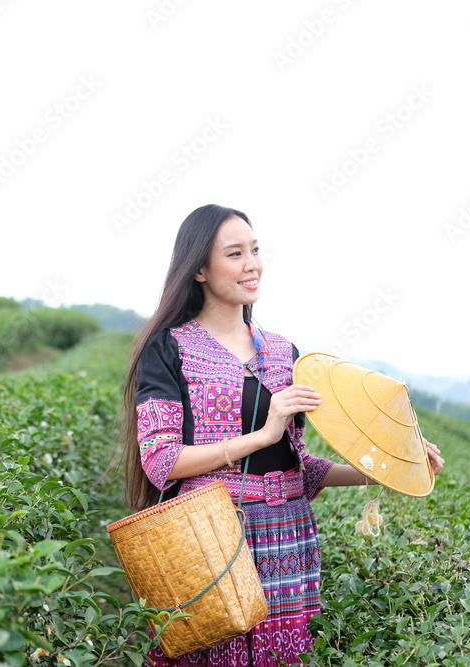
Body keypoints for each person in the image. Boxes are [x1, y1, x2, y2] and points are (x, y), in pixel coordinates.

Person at [119, 204, 445, 666]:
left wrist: (387, 468)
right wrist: (260, 434)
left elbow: (298, 466)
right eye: (235, 253)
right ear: (198, 270)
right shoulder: (169, 347)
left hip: (287, 540)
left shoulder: (283, 353)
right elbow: (161, 460)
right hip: (212, 537)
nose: (252, 263)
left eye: (255, 250)